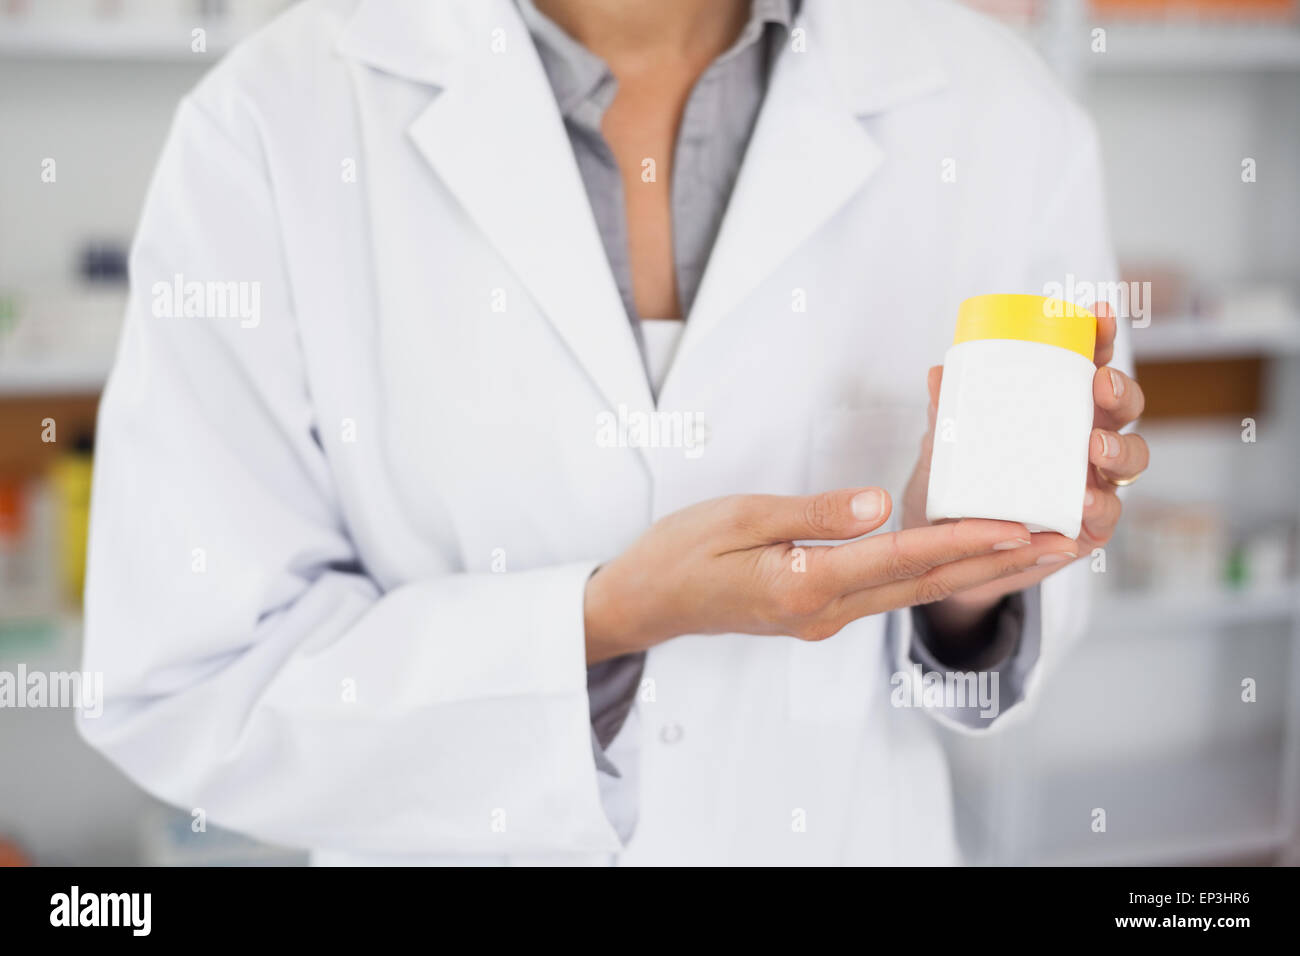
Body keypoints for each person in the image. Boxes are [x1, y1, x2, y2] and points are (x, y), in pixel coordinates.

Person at [79, 0, 1149, 865]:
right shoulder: (273, 121)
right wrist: (601, 623)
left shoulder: (1000, 113)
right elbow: (190, 677)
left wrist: (966, 572)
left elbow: (1001, 636)